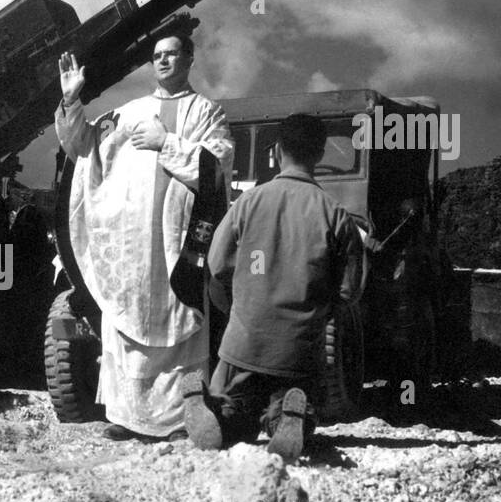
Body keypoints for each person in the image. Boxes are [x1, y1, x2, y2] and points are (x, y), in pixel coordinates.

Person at [55, 32, 232, 441]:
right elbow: (82, 145)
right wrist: (71, 99)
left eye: (172, 54)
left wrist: (164, 142)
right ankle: (127, 415)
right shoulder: (130, 111)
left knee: (181, 323)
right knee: (126, 319)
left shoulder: (206, 113)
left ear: (189, 59)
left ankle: (178, 419)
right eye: (157, 56)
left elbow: (218, 166)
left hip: (177, 244)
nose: (163, 61)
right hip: (131, 244)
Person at [181, 113, 365, 463]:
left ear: (278, 152)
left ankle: (216, 414)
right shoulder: (336, 214)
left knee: (238, 409)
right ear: (321, 154)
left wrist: (244, 302)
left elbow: (217, 266)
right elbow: (349, 291)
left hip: (243, 344)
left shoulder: (248, 203)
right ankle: (289, 417)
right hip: (299, 348)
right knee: (292, 400)